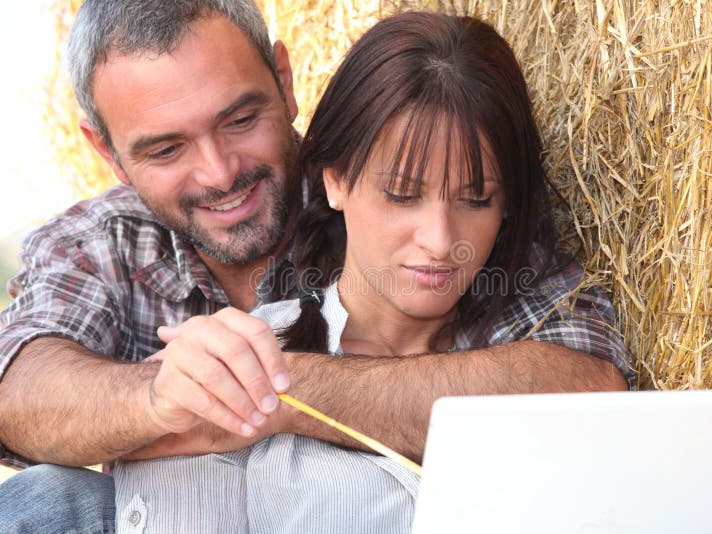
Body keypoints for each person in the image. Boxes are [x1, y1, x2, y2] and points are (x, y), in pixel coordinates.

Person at [0, 1, 631, 532]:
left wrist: (283, 392)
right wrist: (162, 396)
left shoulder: (417, 154)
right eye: (167, 148)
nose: (221, 173)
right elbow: (18, 395)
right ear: (105, 149)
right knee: (45, 499)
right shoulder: (99, 242)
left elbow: (586, 390)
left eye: (241, 119)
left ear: (284, 78)